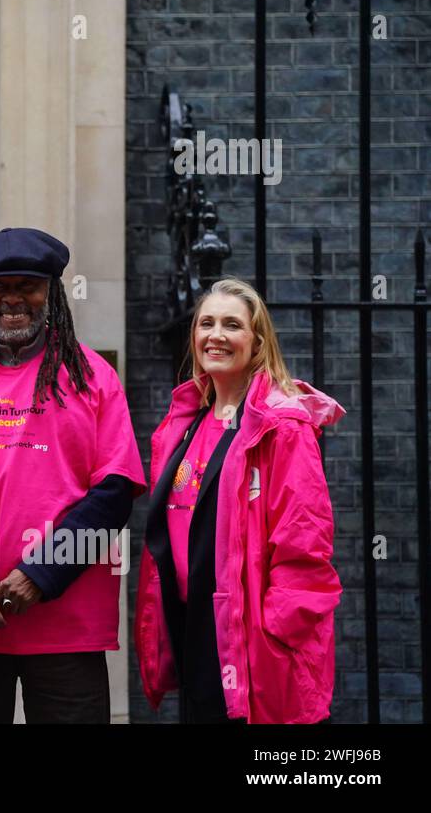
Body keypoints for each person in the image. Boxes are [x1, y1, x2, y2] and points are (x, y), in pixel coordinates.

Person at [0, 227, 145, 723]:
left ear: (51, 293)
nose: (12, 299)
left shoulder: (93, 377)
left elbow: (115, 493)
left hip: (65, 622)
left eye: (28, 285)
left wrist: (37, 576)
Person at [136, 278, 343, 723]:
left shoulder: (281, 427)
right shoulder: (185, 424)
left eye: (232, 325)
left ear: (257, 341)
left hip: (253, 638)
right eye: (206, 323)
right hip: (196, 627)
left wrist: (276, 632)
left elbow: (304, 539)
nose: (216, 335)